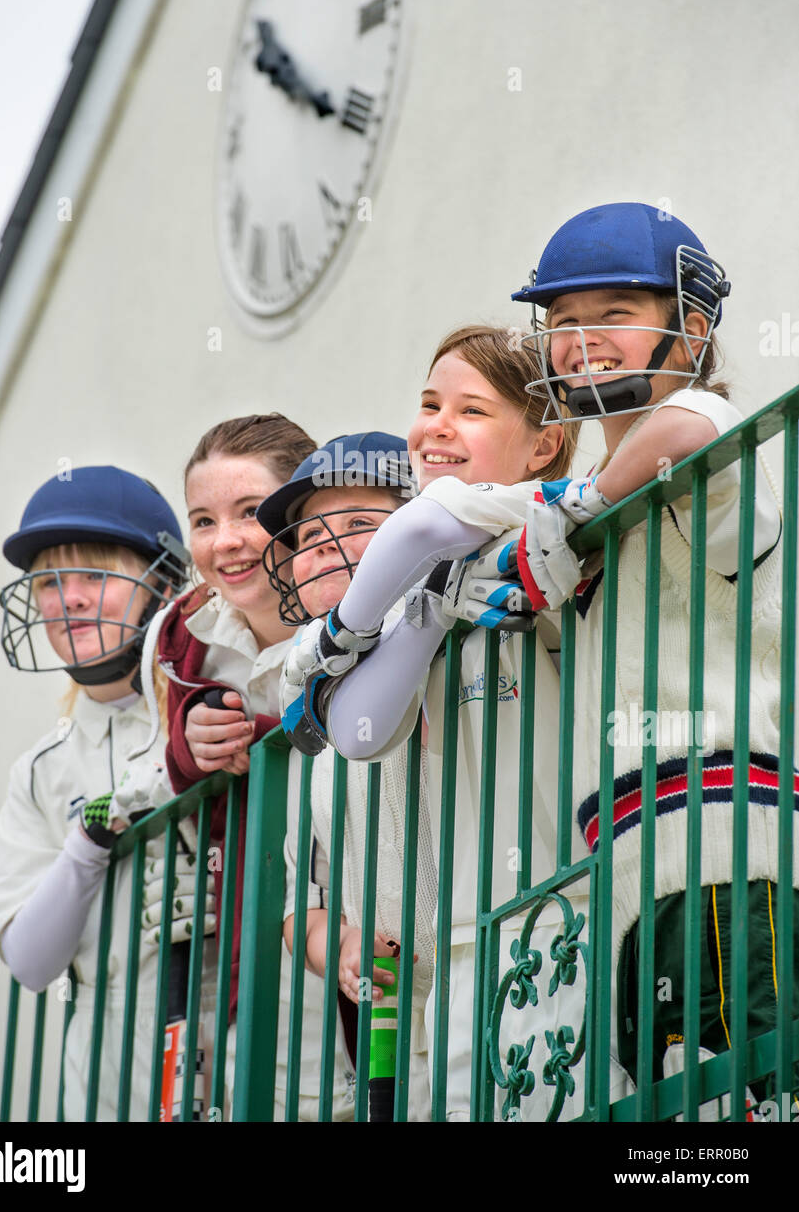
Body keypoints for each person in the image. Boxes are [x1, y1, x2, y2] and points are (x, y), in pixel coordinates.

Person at [496, 201, 791, 1108]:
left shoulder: (709, 443)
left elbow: (687, 426)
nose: (583, 341)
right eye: (563, 323)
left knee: (746, 1106)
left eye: (616, 313)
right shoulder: (588, 520)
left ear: (691, 327)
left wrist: (569, 500)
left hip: (718, 839)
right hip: (627, 865)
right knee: (668, 1123)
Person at [281, 328, 592, 1121]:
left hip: (558, 921)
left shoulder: (562, 520)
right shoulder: (410, 589)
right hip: (445, 964)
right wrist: (423, 607)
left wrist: (350, 632)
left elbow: (431, 523)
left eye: (471, 409)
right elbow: (356, 732)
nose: (436, 426)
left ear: (543, 444)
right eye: (427, 405)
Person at [144, 413, 355, 1120]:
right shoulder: (184, 643)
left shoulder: (363, 599)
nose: (223, 541)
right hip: (262, 941)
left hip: (377, 910)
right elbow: (173, 788)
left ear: (295, 514)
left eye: (247, 512)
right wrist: (188, 749)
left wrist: (267, 734)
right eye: (202, 520)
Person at [0, 464, 214, 1122]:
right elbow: (31, 962)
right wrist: (88, 843)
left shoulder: (219, 704)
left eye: (94, 574)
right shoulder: (40, 770)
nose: (69, 600)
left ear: (164, 583)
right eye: (49, 583)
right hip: (106, 1067)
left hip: (249, 1026)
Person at [257, 432, 436, 1120]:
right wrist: (340, 944)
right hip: (390, 1015)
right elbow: (300, 899)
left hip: (505, 968)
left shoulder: (462, 632)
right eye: (307, 533)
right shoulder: (299, 701)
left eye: (359, 523)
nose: (327, 543)